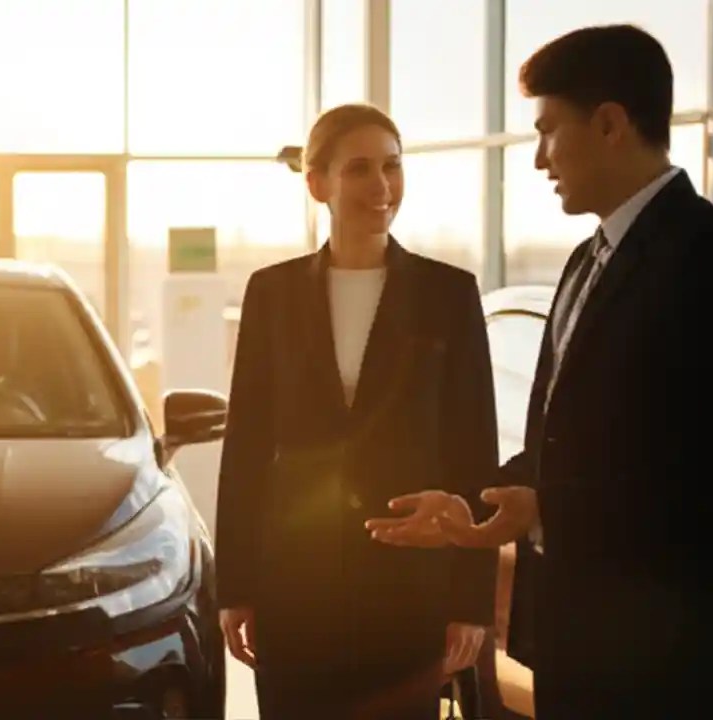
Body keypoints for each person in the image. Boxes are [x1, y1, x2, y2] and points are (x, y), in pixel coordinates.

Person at [365, 24, 713, 718]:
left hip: (666, 664)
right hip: (578, 650)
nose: (539, 159)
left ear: (608, 125)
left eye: (547, 131)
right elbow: (556, 446)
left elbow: (712, 481)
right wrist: (474, 506)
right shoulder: (582, 263)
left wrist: (548, 509)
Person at [215, 103, 499, 718]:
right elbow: (246, 447)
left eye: (393, 167)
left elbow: (475, 448)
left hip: (409, 590)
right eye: (360, 169)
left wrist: (470, 601)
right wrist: (234, 586)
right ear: (317, 183)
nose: (382, 186)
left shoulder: (448, 294)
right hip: (294, 587)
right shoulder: (272, 292)